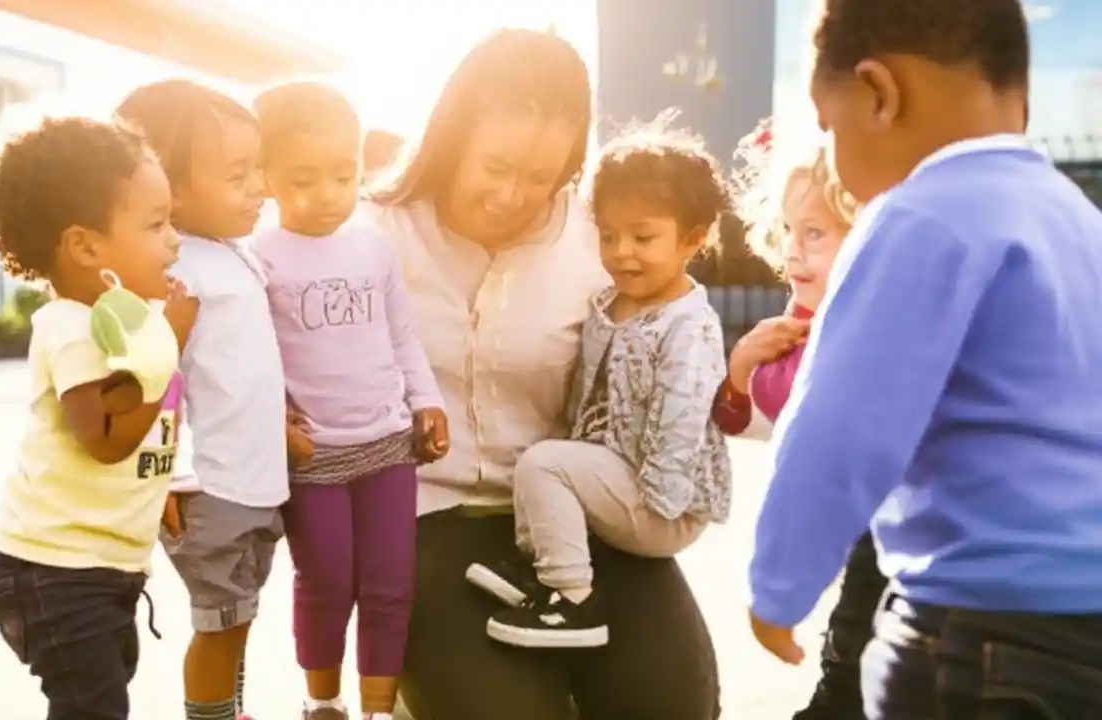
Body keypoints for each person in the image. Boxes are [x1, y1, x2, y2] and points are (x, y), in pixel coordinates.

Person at [748, 1, 1102, 718]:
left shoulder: (918, 216)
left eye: (829, 124)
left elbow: (842, 425)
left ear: (879, 94)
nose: (835, 152)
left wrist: (779, 585)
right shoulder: (1079, 222)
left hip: (975, 631)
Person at [367, 28, 720, 720]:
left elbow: (675, 341)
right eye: (495, 166)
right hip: (430, 518)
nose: (514, 195)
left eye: (541, 177)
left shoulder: (598, 238)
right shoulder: (373, 234)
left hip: (579, 514)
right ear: (451, 137)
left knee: (672, 705)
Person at [467, 115, 732, 650]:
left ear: (693, 239)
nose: (622, 252)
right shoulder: (610, 304)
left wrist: (655, 500)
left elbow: (680, 419)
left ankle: (573, 600)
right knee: (544, 457)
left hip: (665, 502)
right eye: (608, 236)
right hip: (618, 477)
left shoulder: (688, 327)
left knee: (546, 463)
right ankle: (542, 569)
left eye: (643, 237)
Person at [0, 115, 189, 719]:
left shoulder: (124, 320)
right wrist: (167, 347)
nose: (174, 239)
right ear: (85, 246)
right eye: (156, 223)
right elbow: (103, 439)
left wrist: (157, 482)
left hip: (100, 566)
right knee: (93, 706)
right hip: (50, 568)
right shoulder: (70, 326)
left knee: (96, 696)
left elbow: (133, 414)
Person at [250, 81, 449, 720]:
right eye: (304, 179)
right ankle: (322, 702)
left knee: (391, 585)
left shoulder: (372, 245)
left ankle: (378, 711)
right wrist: (275, 419)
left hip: (388, 445)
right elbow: (252, 360)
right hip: (314, 457)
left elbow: (401, 334)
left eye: (343, 175)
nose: (328, 193)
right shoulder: (259, 260)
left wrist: (428, 400)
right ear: (267, 177)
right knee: (328, 581)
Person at [117, 80, 309, 720]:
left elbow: (240, 368)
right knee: (219, 621)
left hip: (252, 480)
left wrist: (280, 421)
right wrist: (161, 474)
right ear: (169, 188)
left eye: (257, 167)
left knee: (238, 615)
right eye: (238, 174)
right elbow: (153, 378)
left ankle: (232, 710)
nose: (262, 185)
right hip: (209, 486)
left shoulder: (231, 257)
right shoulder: (177, 270)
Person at [714, 128, 886, 719]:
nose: (792, 253)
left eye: (814, 234)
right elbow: (764, 422)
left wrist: (780, 590)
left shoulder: (874, 319)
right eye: (788, 231)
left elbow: (811, 455)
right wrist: (741, 371)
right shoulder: (802, 323)